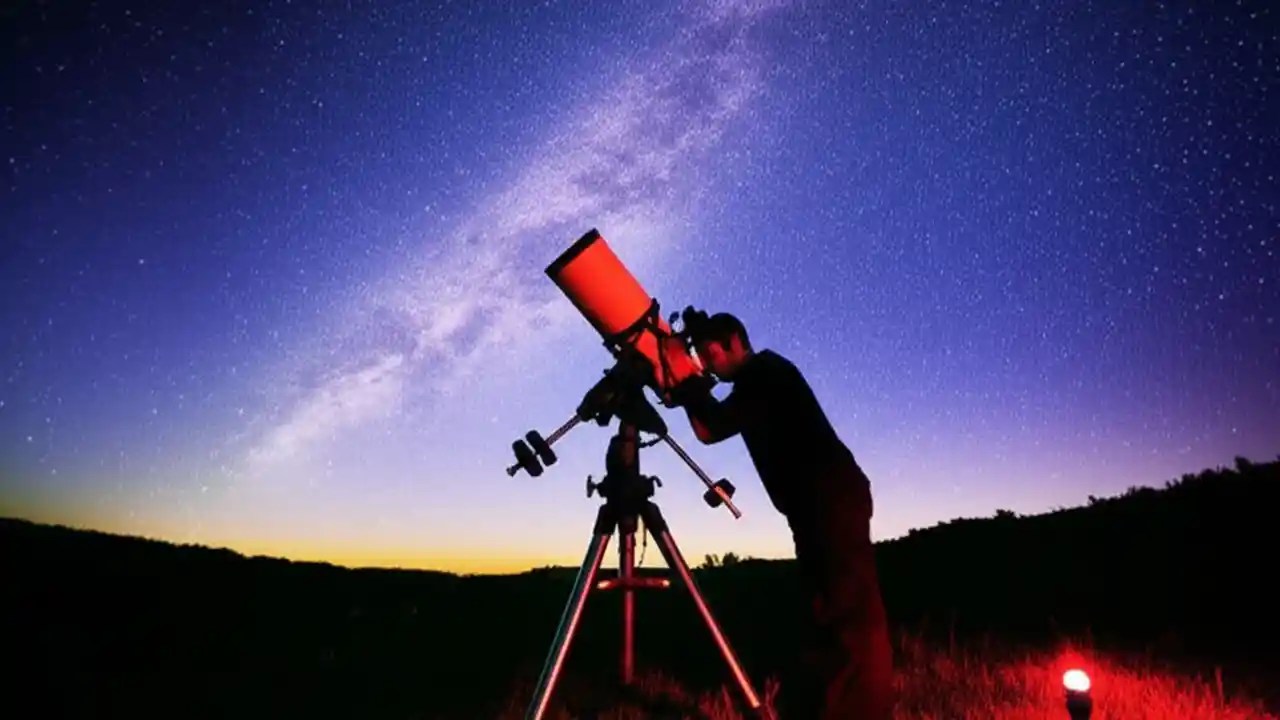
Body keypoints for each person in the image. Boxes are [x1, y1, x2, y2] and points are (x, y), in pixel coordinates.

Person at [670, 312, 894, 720]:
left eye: (709, 354)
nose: (708, 366)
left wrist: (684, 379)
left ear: (734, 342)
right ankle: (838, 705)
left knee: (847, 612)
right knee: (830, 608)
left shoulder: (763, 373)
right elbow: (707, 431)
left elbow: (714, 425)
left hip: (829, 501)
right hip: (817, 504)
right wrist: (688, 388)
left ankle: (859, 710)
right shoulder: (759, 378)